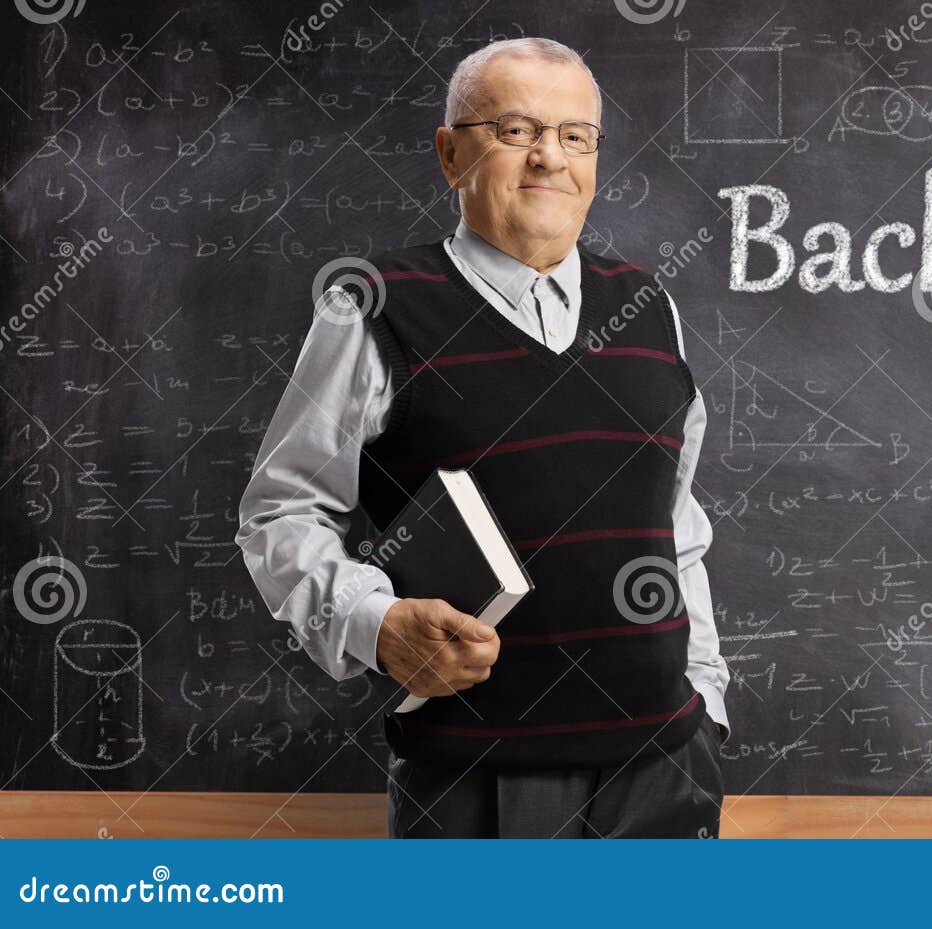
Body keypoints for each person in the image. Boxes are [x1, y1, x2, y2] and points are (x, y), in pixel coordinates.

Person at [235, 37, 728, 838]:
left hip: (669, 767)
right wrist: (375, 624)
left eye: (575, 136)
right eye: (515, 130)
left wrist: (707, 700)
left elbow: (678, 531)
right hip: (480, 782)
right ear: (450, 153)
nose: (549, 158)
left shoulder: (649, 307)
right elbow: (281, 513)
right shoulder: (375, 306)